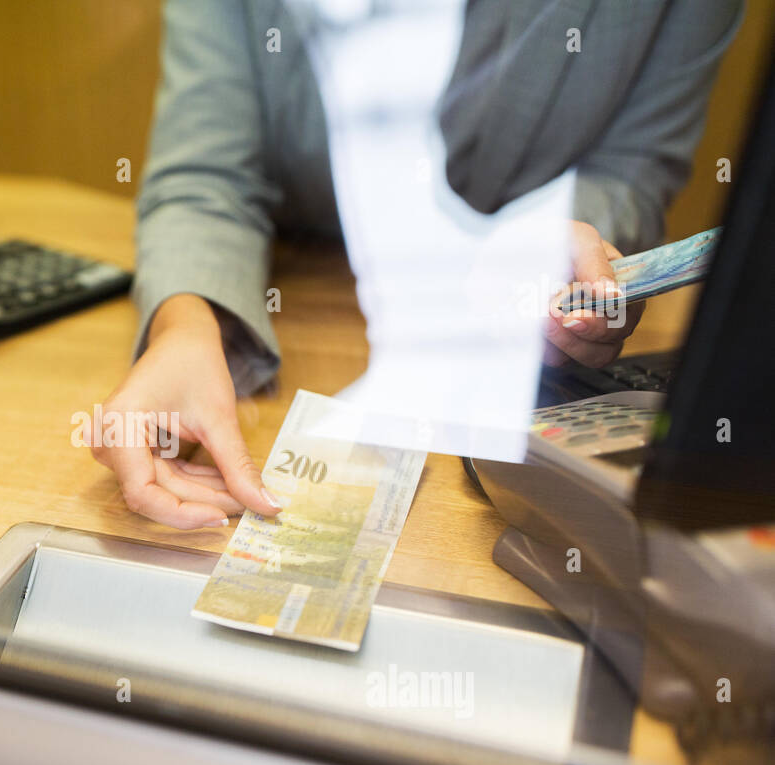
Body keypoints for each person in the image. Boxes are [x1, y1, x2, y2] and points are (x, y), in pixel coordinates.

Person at [92, 0, 742, 530]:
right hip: (310, 294)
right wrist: (186, 322)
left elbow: (630, 170)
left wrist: (570, 254)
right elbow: (205, 176)